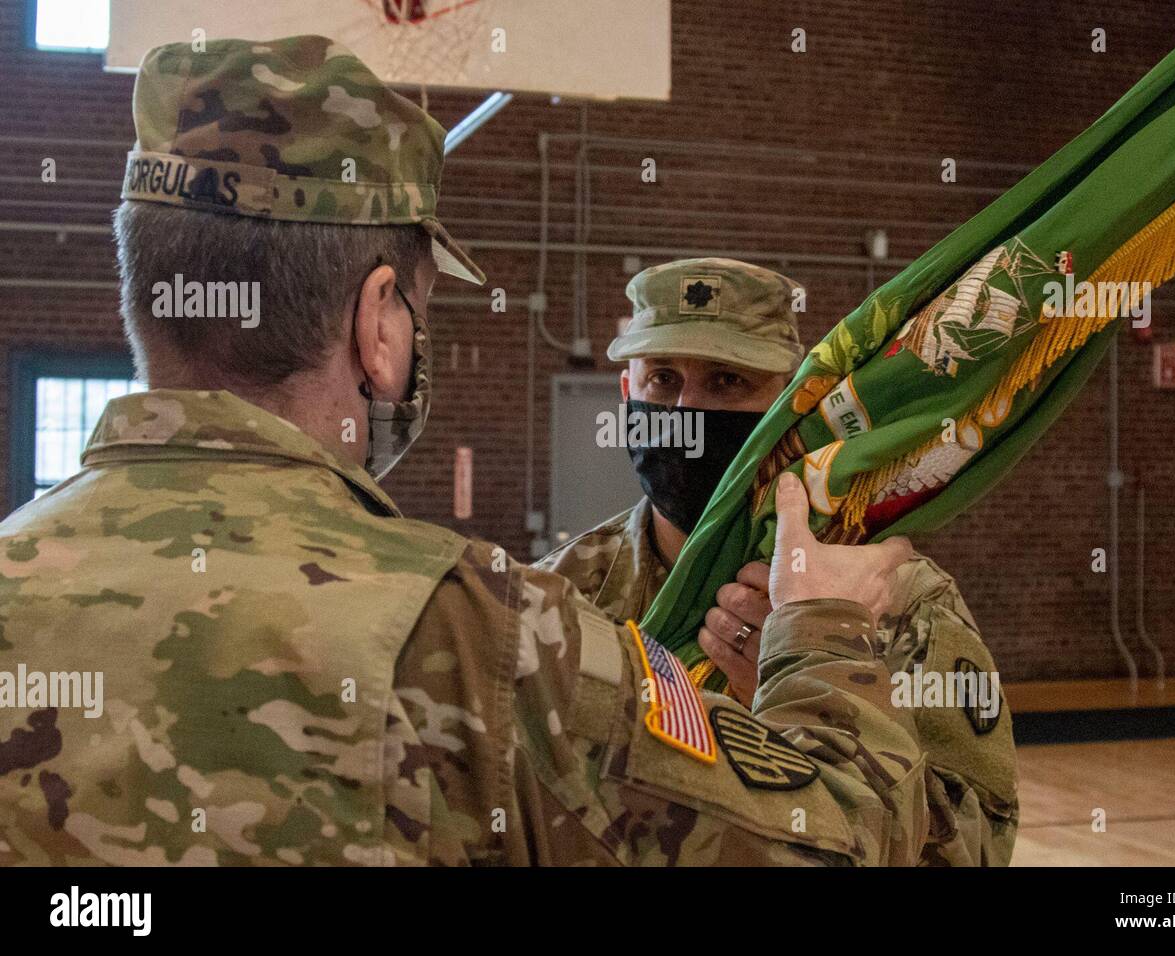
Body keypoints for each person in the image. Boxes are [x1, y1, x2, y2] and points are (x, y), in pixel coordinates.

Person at [0, 35, 983, 866]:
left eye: (726, 382)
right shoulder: (491, 639)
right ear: (379, 323)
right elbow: (835, 839)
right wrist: (819, 628)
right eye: (419, 310)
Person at [538, 258, 1019, 864]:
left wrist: (805, 686)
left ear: (791, 404)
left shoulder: (896, 600)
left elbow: (977, 847)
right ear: (627, 393)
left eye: (727, 382)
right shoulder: (560, 592)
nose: (689, 413)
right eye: (663, 379)